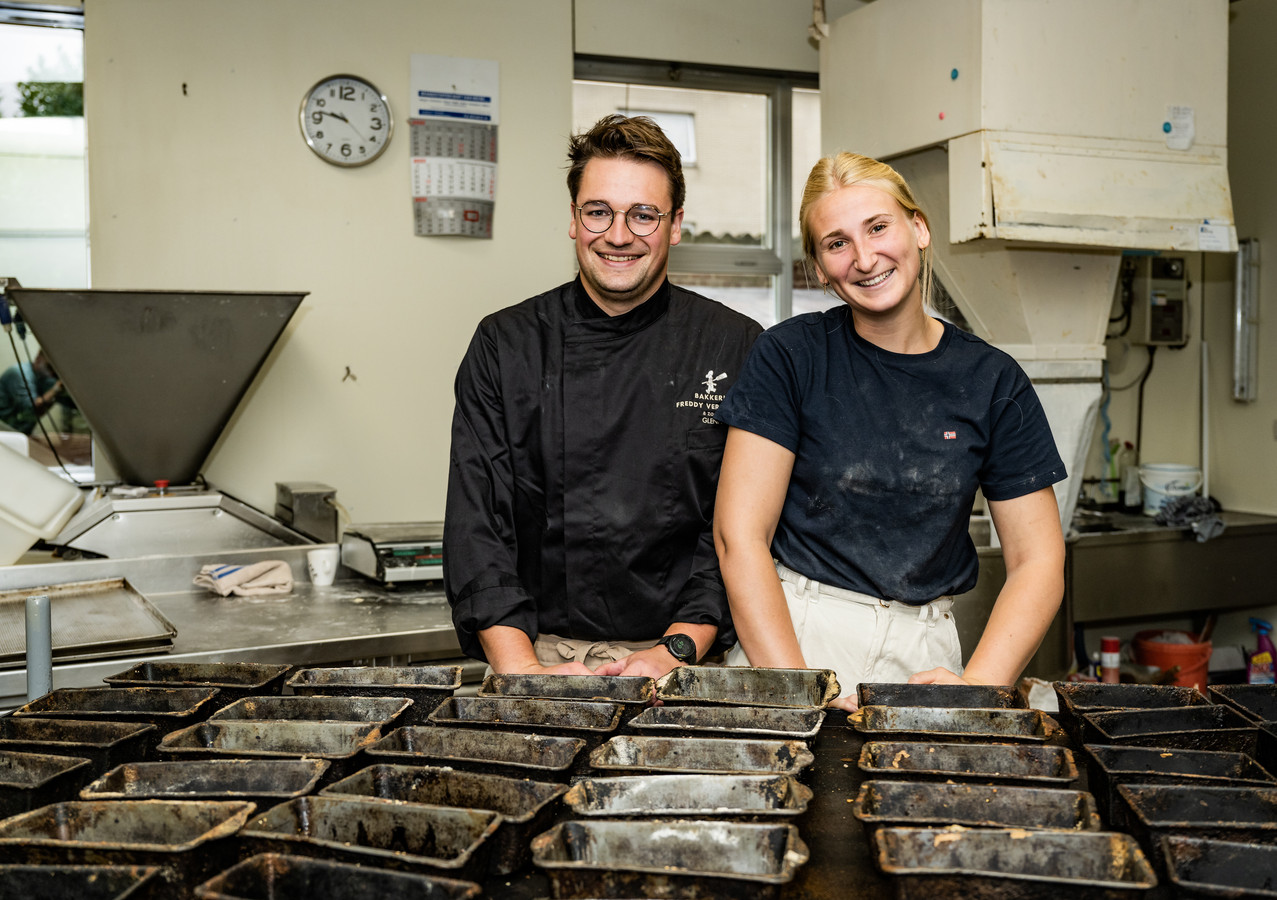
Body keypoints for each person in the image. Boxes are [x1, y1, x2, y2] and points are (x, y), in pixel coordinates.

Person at [713, 152, 1066, 710]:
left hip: (923, 654)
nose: (864, 257)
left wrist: (977, 687)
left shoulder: (993, 380)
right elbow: (740, 537)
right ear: (821, 266)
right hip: (793, 637)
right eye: (837, 243)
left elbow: (1038, 560)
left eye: (878, 227)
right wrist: (798, 687)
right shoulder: (790, 356)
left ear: (918, 228)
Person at [444, 114, 763, 679]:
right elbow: (478, 524)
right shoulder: (506, 344)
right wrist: (523, 677)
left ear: (676, 225)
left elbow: (740, 529)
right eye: (599, 212)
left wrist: (678, 650)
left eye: (644, 214)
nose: (619, 235)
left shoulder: (734, 346)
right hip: (536, 654)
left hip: (688, 660)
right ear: (573, 219)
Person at [0, 350, 65, 435]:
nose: (52, 373)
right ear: (38, 358)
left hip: (20, 434)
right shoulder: (20, 373)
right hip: (6, 434)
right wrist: (57, 389)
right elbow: (30, 408)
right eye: (49, 367)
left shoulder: (43, 378)